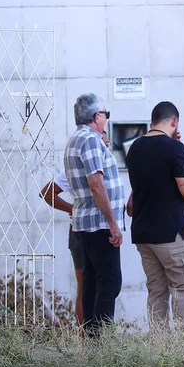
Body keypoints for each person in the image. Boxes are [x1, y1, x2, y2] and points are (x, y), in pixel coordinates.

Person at [125, 101, 184, 332]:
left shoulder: (135, 148)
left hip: (144, 235)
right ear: (174, 121)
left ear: (153, 121)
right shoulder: (174, 149)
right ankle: (183, 357)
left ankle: (159, 353)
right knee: (183, 295)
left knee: (156, 294)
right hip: (172, 236)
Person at [65, 93, 125, 336]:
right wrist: (113, 223)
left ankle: (91, 341)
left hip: (86, 223)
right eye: (105, 114)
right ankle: (100, 342)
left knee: (91, 284)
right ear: (96, 116)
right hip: (98, 224)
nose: (106, 119)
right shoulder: (90, 140)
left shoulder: (76, 139)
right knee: (109, 282)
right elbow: (96, 184)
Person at [40, 131, 111, 327]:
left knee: (104, 285)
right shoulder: (78, 170)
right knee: (85, 286)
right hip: (82, 232)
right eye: (102, 145)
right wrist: (72, 209)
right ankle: (84, 337)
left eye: (107, 145)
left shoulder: (108, 169)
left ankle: (99, 335)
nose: (105, 149)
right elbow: (46, 192)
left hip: (103, 229)